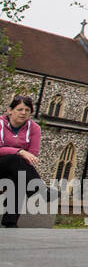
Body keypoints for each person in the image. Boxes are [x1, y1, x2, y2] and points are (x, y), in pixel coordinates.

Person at [1, 95, 43, 227]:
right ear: (10, 110)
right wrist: (20, 151)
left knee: (20, 175)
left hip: (15, 169)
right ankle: (39, 190)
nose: (23, 113)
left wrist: (21, 154)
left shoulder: (35, 128)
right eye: (19, 109)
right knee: (16, 159)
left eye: (27, 110)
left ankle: (10, 222)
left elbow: (32, 156)